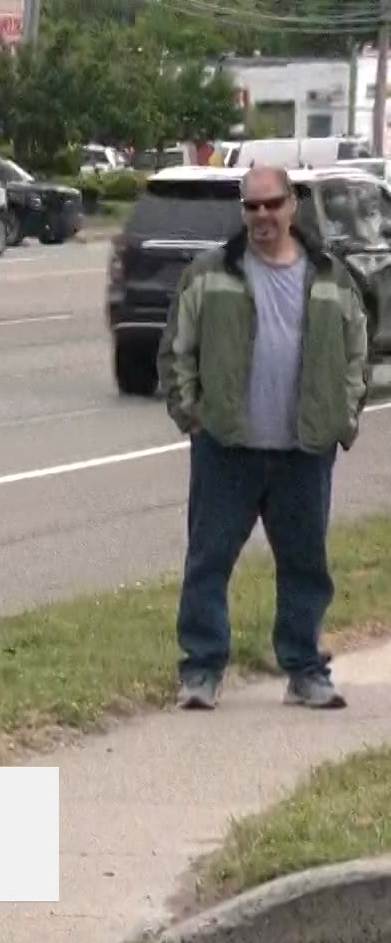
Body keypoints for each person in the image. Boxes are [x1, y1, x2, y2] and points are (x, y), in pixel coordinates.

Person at [155, 164, 370, 712]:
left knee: (304, 565)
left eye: (272, 204)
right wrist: (194, 417)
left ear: (292, 204)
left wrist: (341, 419)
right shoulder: (210, 274)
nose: (262, 216)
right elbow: (176, 350)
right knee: (208, 561)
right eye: (251, 207)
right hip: (227, 448)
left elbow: (355, 356)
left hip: (305, 451)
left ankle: (304, 670)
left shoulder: (329, 276)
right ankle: (201, 670)